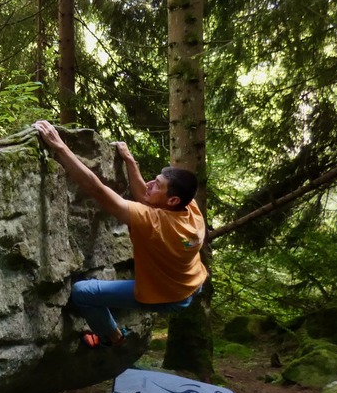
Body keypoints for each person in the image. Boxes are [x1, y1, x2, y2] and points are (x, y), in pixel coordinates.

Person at [33, 120, 208, 349]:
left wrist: (59, 147)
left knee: (82, 292)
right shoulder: (190, 208)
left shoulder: (158, 223)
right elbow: (146, 198)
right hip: (193, 282)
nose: (151, 183)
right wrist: (129, 160)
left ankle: (113, 338)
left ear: (172, 200)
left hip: (170, 296)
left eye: (158, 184)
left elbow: (97, 189)